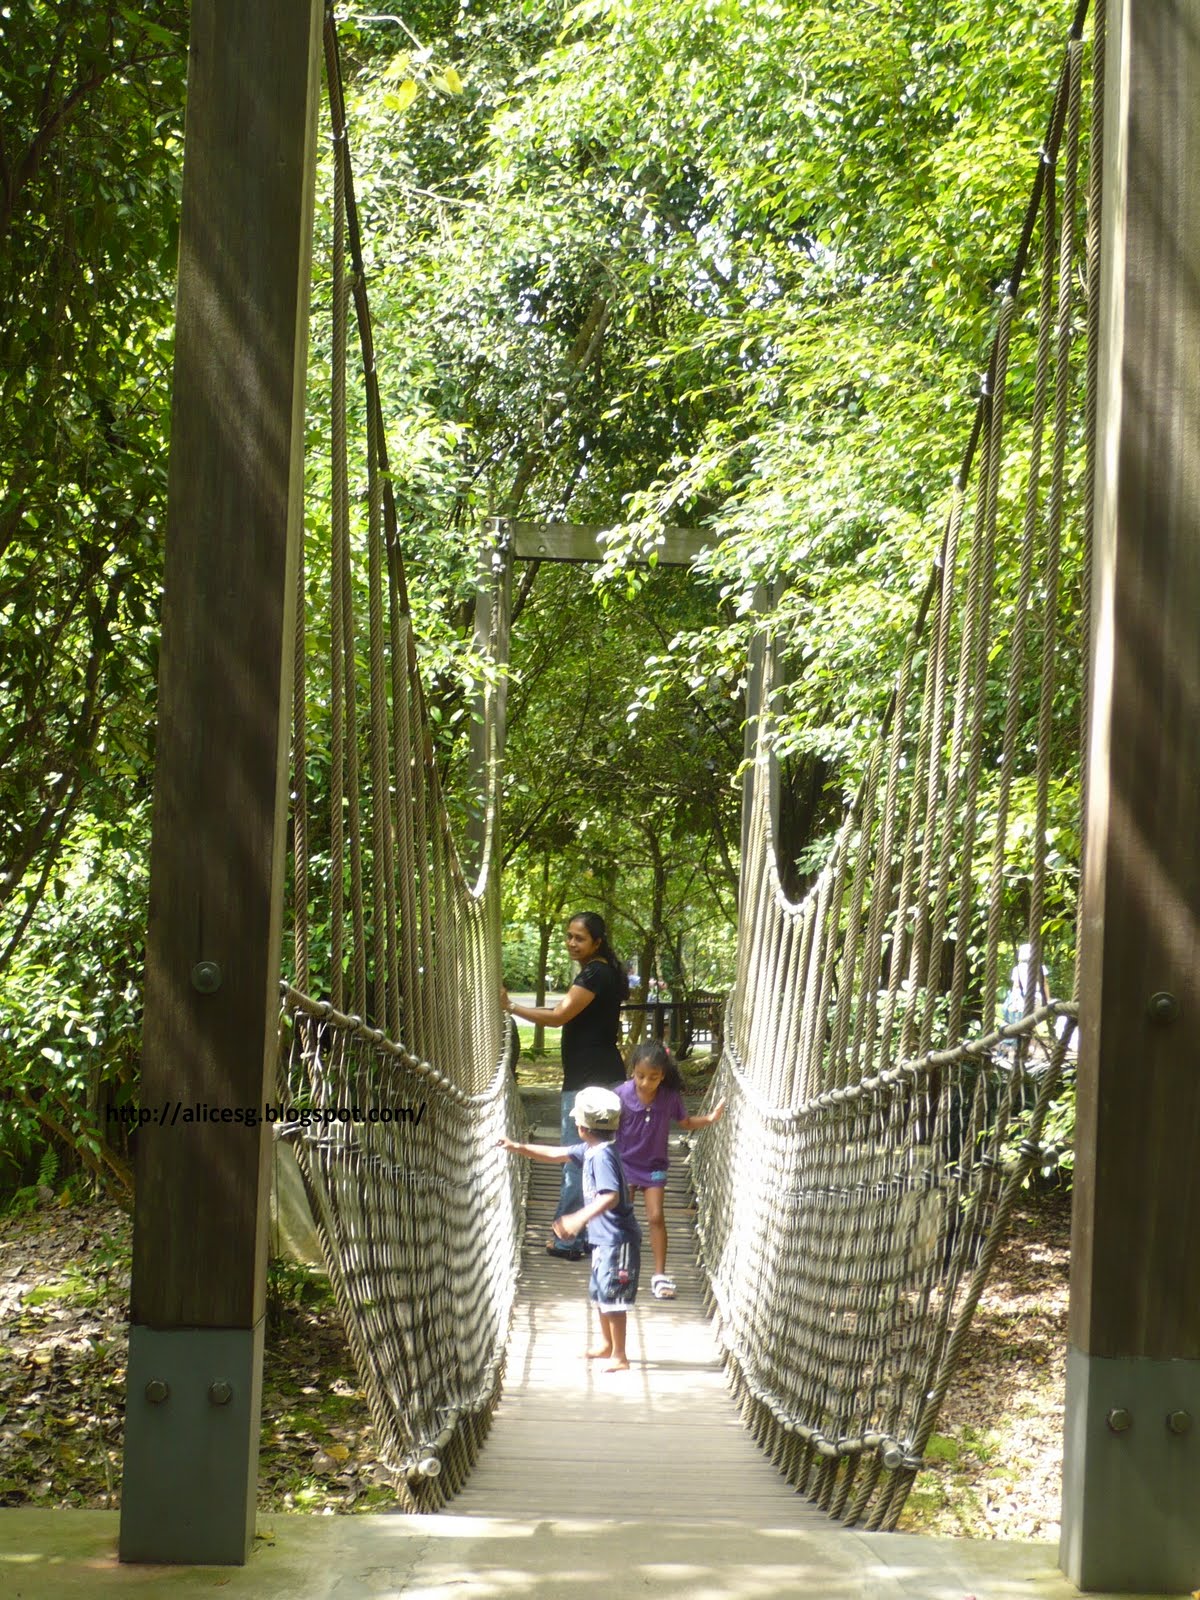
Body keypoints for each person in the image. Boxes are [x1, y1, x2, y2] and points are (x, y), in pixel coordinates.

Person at [502, 912, 627, 1259]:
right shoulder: (603, 971)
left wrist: (510, 1006)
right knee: (597, 1160)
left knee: (577, 1161)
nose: (572, 943)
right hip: (602, 1075)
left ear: (597, 942)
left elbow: (559, 1017)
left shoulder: (595, 972)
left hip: (589, 1082)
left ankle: (568, 1238)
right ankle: (589, 1234)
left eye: (580, 938)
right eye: (569, 936)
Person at [497, 1086, 641, 1371]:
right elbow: (556, 1154)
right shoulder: (591, 1149)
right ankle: (606, 1344)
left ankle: (620, 1356)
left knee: (613, 1296)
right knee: (600, 1291)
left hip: (618, 1240)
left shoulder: (602, 1156)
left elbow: (610, 1195)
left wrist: (577, 1219)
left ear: (581, 1126)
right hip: (603, 1239)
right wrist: (519, 1147)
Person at [615, 1040, 725, 1300]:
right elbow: (606, 1125)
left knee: (655, 1217)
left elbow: (685, 1122)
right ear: (633, 1071)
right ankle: (621, 1267)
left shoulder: (669, 1098)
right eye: (641, 1076)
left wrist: (710, 1119)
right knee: (622, 1219)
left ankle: (659, 1274)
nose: (645, 1083)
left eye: (653, 1077)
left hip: (654, 1167)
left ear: (662, 1076)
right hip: (625, 1164)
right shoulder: (620, 1094)